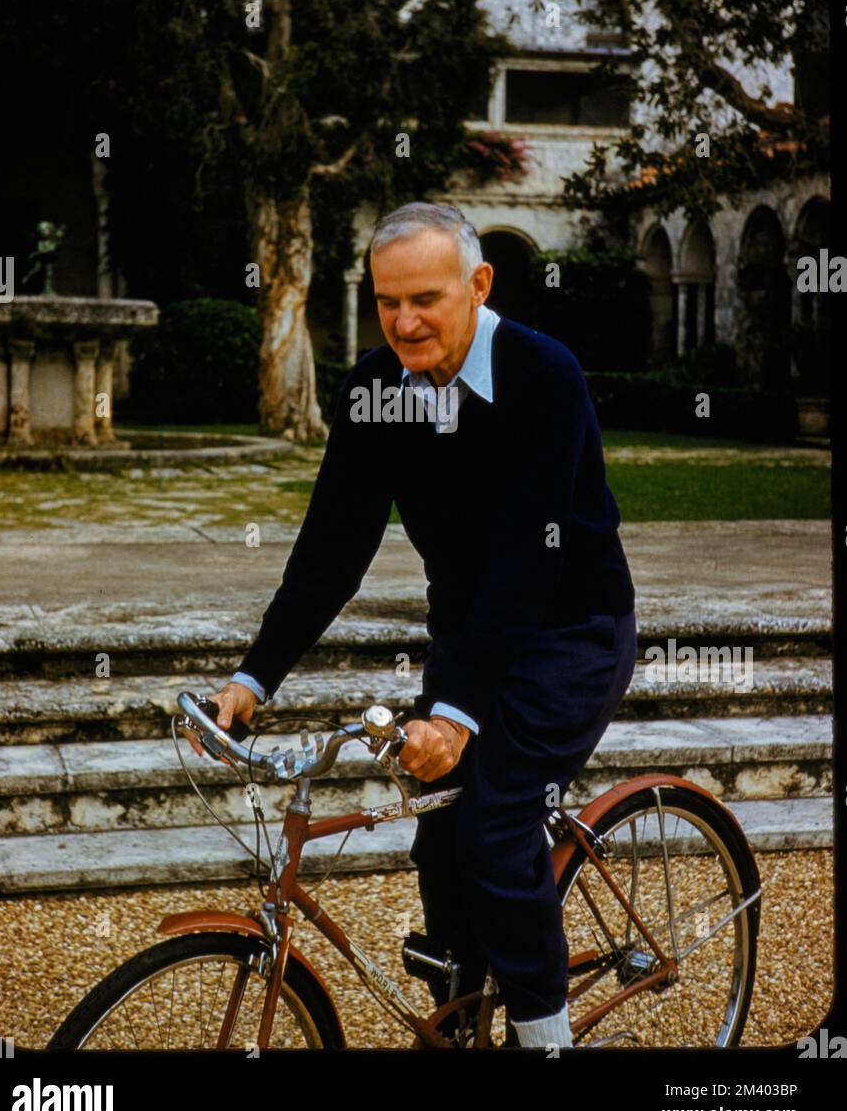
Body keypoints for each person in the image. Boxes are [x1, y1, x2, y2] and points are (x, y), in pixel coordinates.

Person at [184, 201, 637, 1050]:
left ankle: (547, 1039)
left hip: (571, 630)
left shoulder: (543, 377)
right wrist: (254, 677)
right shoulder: (372, 389)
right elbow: (331, 548)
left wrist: (457, 713)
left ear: (478, 284)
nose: (404, 321)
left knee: (496, 827)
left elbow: (525, 561)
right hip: (472, 631)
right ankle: (463, 1014)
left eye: (424, 298)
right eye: (386, 302)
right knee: (436, 832)